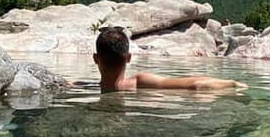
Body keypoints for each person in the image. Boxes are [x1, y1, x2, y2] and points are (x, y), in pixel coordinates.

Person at [93, 26, 247, 93]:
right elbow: (196, 85)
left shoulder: (87, 87)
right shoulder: (139, 83)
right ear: (128, 58)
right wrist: (232, 84)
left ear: (95, 58)